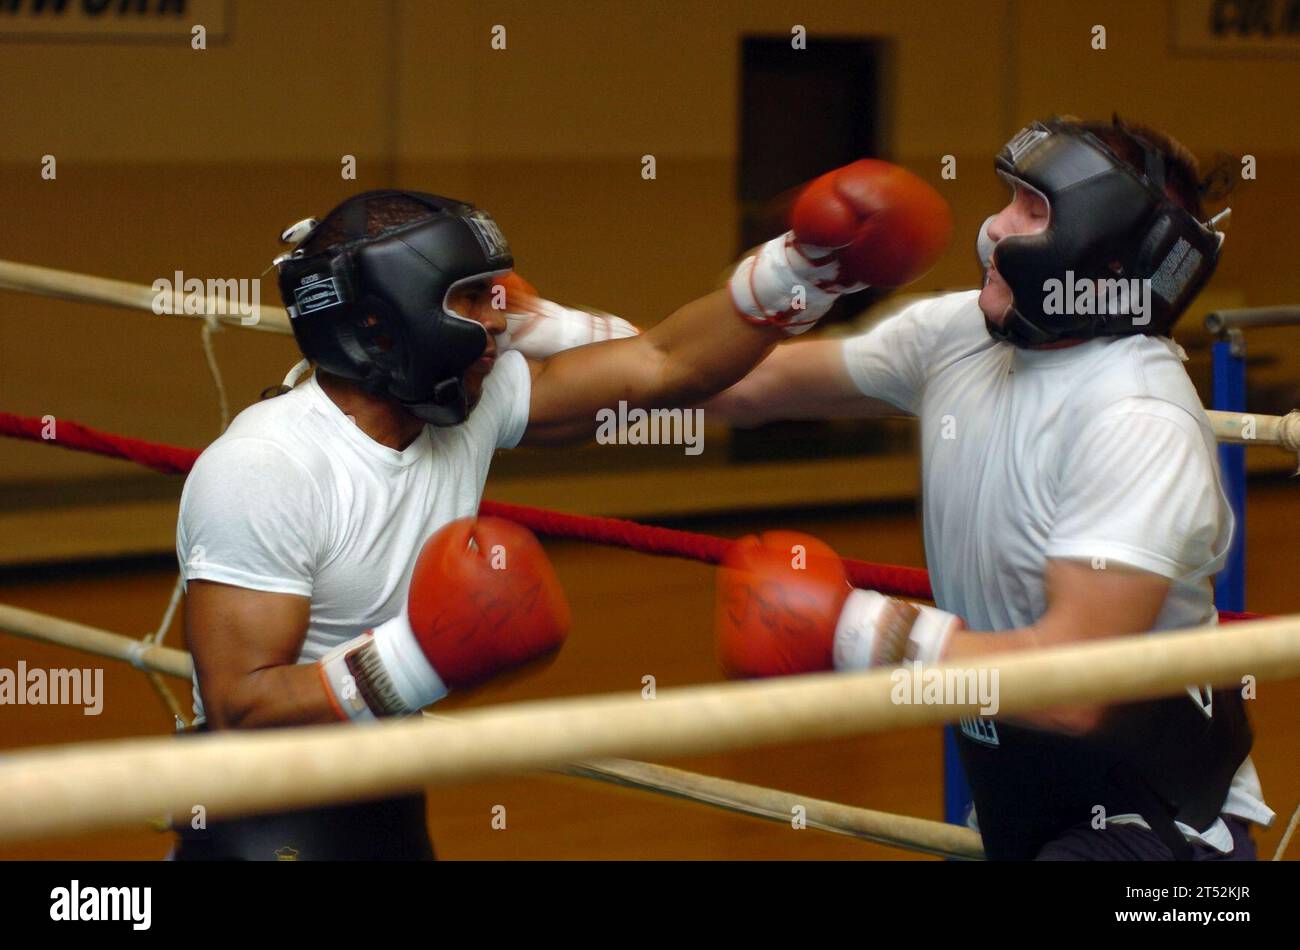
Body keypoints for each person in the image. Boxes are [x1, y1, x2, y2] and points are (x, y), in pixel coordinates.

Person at [174, 177, 950, 859]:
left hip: (383, 794)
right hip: (259, 814)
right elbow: (244, 705)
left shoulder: (469, 406)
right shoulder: (264, 469)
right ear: (385, 322)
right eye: (473, 300)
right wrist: (418, 657)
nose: (501, 321)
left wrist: (800, 271)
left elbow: (663, 365)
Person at [709, 116, 1274, 860]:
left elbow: (1073, 692)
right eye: (1007, 199)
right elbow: (738, 386)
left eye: (1032, 212)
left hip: (1165, 838)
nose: (990, 230)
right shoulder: (959, 335)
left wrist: (856, 630)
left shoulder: (1138, 420)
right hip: (1022, 815)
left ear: (1104, 260)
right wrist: (547, 345)